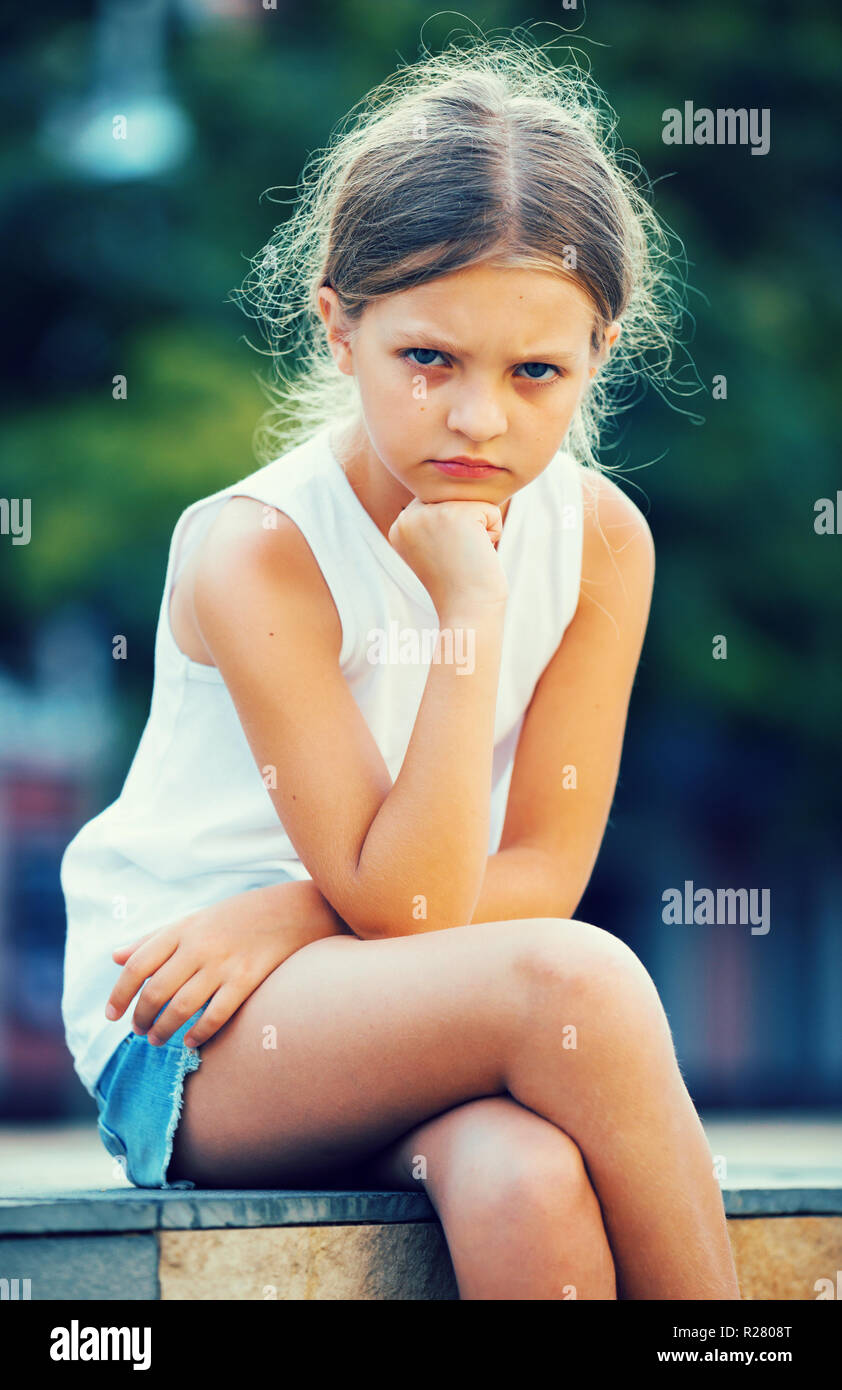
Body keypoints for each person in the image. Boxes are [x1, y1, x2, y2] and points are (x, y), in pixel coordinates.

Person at [60, 33, 740, 1300]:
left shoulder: (600, 540)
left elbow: (540, 867)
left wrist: (296, 910)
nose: (477, 418)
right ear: (337, 326)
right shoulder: (258, 551)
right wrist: (466, 609)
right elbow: (430, 914)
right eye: (427, 359)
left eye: (535, 370)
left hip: (400, 975)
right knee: (575, 975)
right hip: (196, 1029)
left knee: (519, 1178)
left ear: (600, 351)